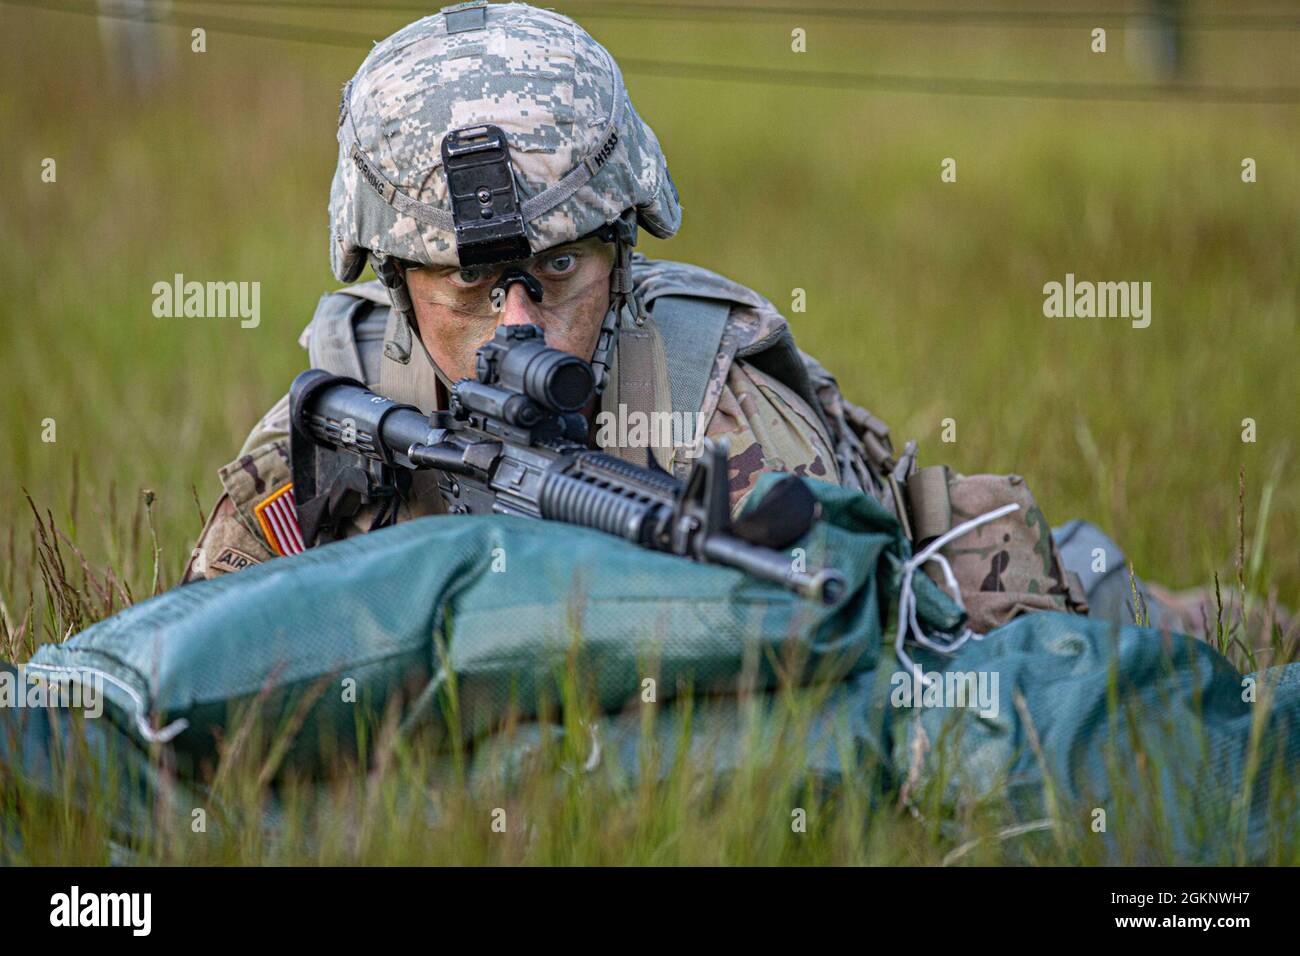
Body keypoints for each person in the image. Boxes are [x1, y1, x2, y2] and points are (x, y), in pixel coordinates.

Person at [184, 2, 1282, 661]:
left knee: (1192, 646)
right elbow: (182, 657)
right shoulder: (334, 424)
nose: (521, 326)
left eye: (558, 269)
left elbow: (842, 668)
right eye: (471, 288)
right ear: (390, 276)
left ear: (622, 245)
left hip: (954, 588)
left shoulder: (713, 400)